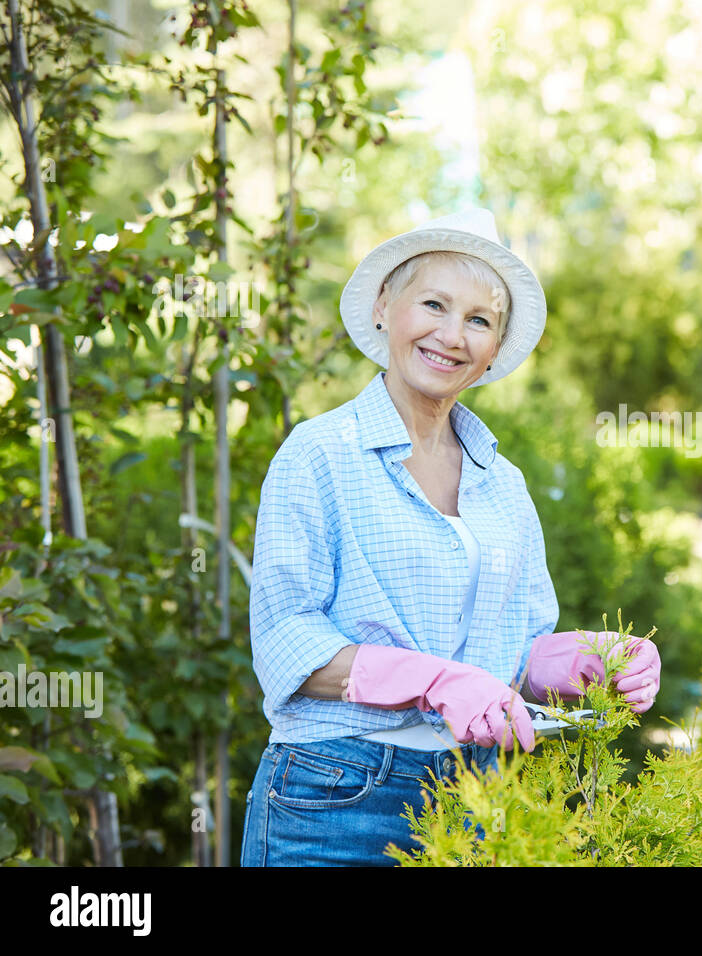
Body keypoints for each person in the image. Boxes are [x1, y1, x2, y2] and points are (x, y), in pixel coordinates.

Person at [240, 207, 661, 866]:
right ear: (385, 306)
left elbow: (510, 659)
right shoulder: (319, 454)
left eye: (478, 320)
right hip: (335, 798)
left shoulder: (505, 485)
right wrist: (434, 681)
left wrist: (592, 659)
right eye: (433, 304)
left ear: (495, 348)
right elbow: (288, 645)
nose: (451, 335)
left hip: (473, 800)